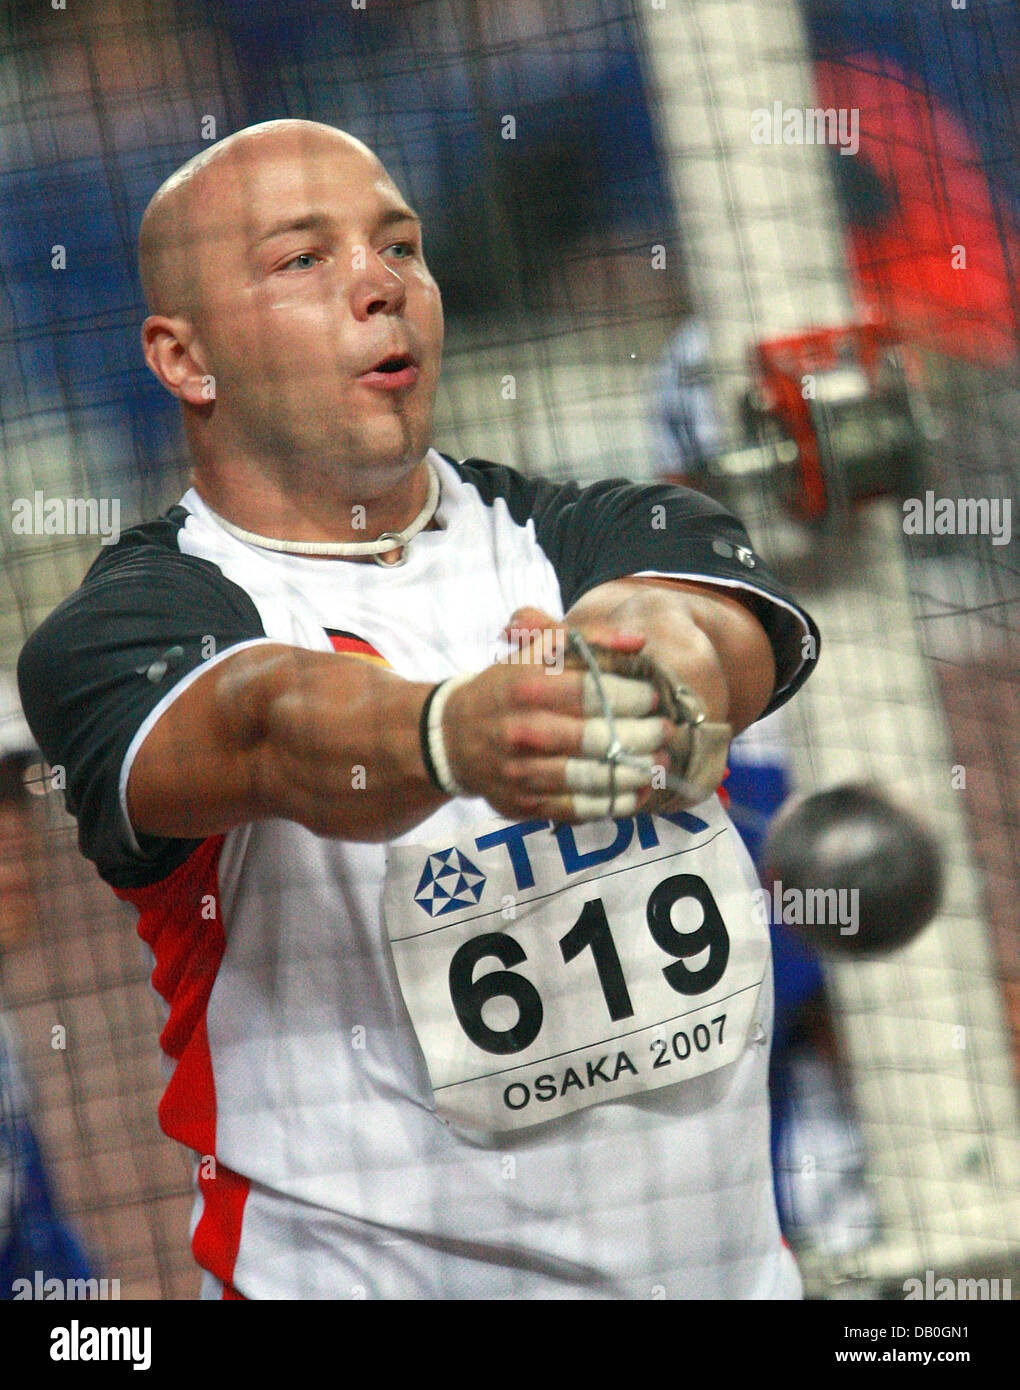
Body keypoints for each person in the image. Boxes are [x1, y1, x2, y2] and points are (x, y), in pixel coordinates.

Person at [18, 119, 820, 1300]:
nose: (379, 283)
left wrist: (639, 685)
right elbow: (273, 723)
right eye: (304, 260)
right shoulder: (125, 630)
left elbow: (699, 635)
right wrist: (456, 731)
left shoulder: (607, 529)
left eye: (401, 244)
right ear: (185, 359)